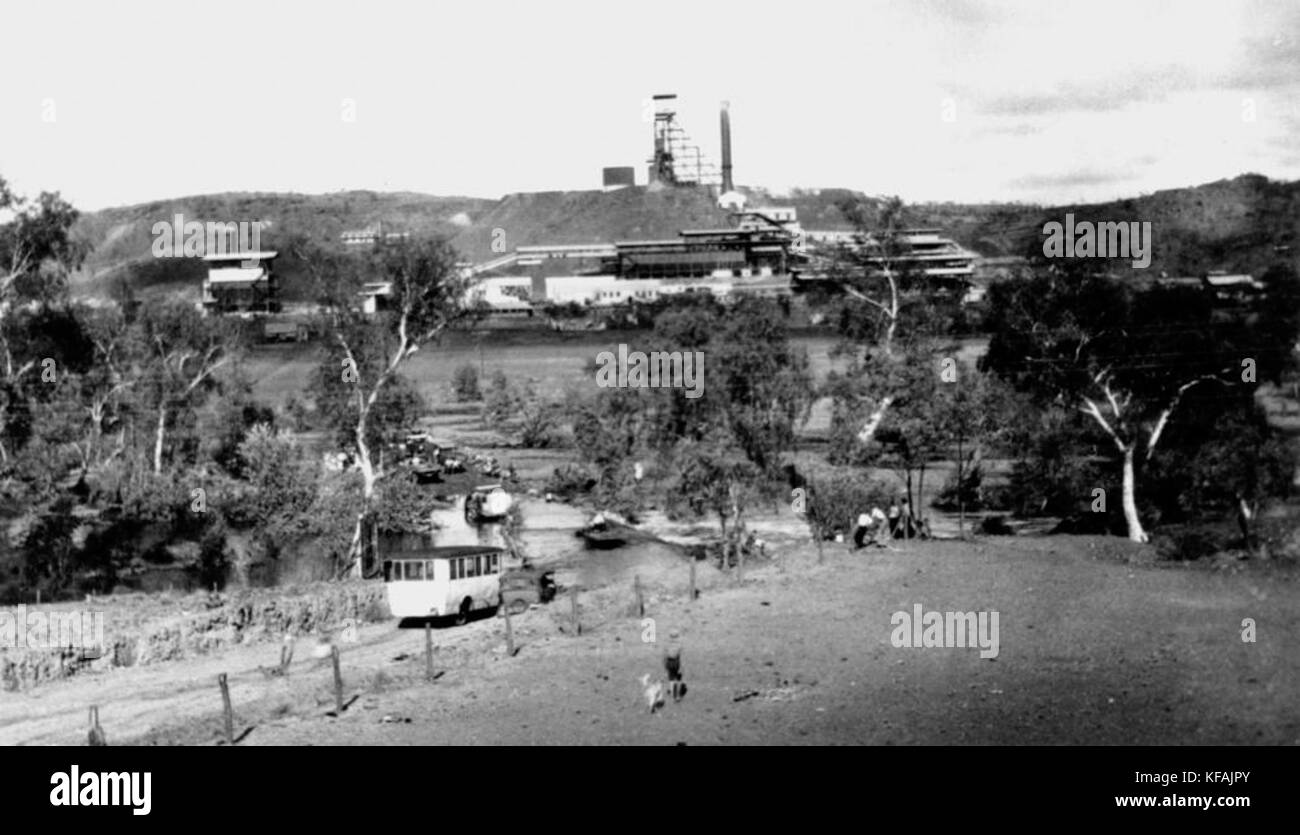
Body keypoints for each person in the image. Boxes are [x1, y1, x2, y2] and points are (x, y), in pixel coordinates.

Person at [663, 629, 685, 702]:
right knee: (678, 678)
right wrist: (682, 666)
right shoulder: (679, 645)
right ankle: (677, 695)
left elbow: (664, 656)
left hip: (669, 662)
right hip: (677, 662)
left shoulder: (667, 645)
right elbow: (681, 656)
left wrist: (665, 665)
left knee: (671, 678)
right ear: (677, 636)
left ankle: (672, 692)